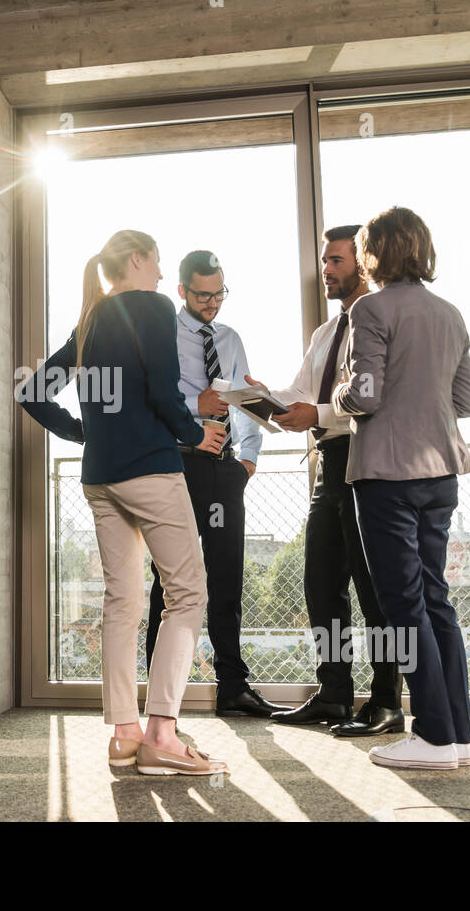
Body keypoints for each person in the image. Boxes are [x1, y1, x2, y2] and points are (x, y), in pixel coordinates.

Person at [17, 229, 229, 777]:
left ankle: (124, 735)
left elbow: (33, 392)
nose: (161, 274)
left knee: (121, 602)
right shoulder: (152, 306)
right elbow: (162, 391)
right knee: (187, 594)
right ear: (137, 259)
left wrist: (82, 432)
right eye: (156, 262)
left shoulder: (89, 319)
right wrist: (196, 433)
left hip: (101, 478)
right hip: (152, 471)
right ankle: (162, 732)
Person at [330, 206, 470, 770]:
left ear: (376, 254)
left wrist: (341, 395)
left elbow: (363, 394)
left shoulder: (370, 307)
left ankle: (433, 737)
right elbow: (465, 402)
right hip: (440, 473)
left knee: (403, 607)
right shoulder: (449, 313)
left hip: (387, 475)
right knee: (436, 601)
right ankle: (455, 734)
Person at [252, 226, 404, 735]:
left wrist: (312, 410)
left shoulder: (378, 321)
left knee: (375, 593)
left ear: (363, 264)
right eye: (324, 260)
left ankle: (387, 700)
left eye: (336, 260)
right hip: (328, 467)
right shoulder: (324, 333)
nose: (326, 269)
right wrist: (260, 398)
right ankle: (334, 693)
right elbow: (299, 392)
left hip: (370, 465)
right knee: (321, 586)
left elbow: (368, 399)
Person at [144, 250, 284, 718]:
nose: (212, 303)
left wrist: (247, 460)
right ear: (182, 291)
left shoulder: (230, 337)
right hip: (177, 466)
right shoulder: (162, 332)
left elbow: (243, 397)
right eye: (202, 295)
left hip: (224, 471)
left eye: (219, 293)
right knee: (170, 582)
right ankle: (162, 693)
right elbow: (150, 394)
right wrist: (194, 401)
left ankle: (233, 687)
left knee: (227, 579)